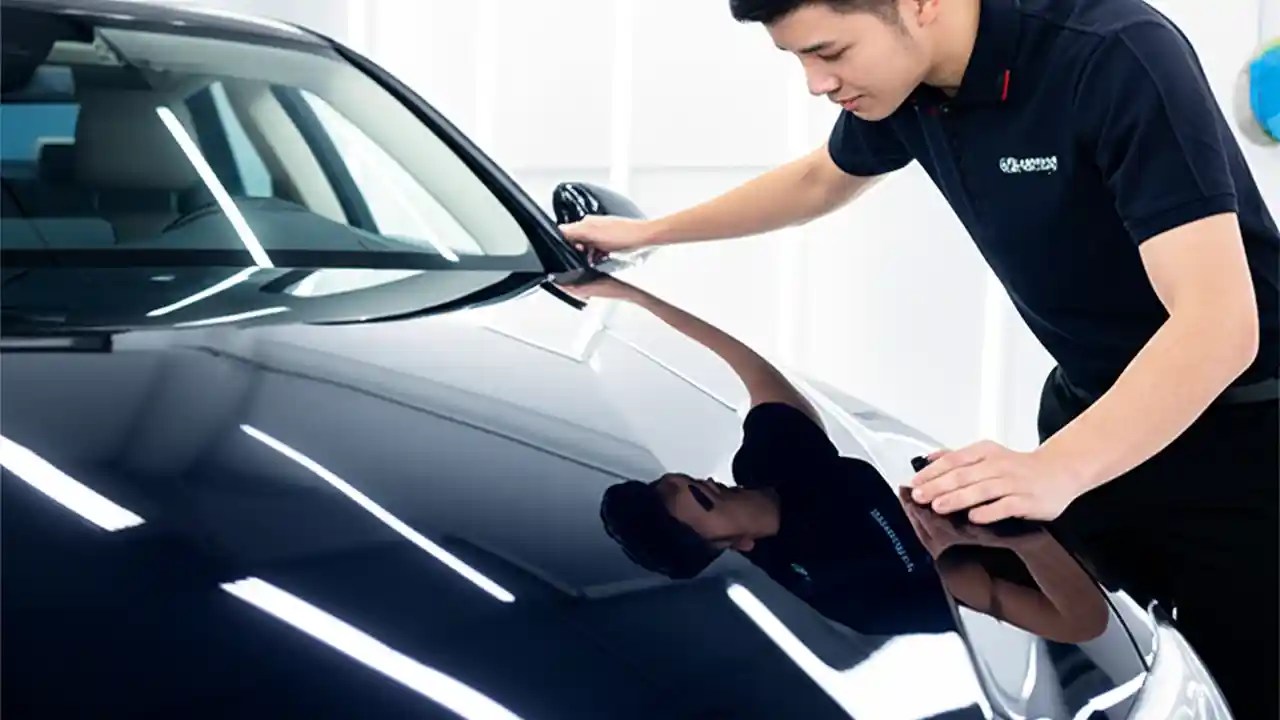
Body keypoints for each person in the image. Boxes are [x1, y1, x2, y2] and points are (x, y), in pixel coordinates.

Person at [559, 0, 1278, 715]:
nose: (816, 83)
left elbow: (1217, 326)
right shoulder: (909, 87)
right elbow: (819, 179)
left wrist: (1055, 469)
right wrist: (647, 232)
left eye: (830, 52)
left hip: (1247, 440)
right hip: (1095, 414)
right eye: (799, 58)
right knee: (1116, 680)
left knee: (1238, 685)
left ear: (921, 5)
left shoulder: (1114, 53)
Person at [565, 274, 956, 637]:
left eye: (687, 480)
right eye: (703, 499)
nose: (706, 484)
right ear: (722, 544)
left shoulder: (767, 464)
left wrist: (638, 297)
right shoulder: (841, 588)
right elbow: (987, 614)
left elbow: (750, 367)